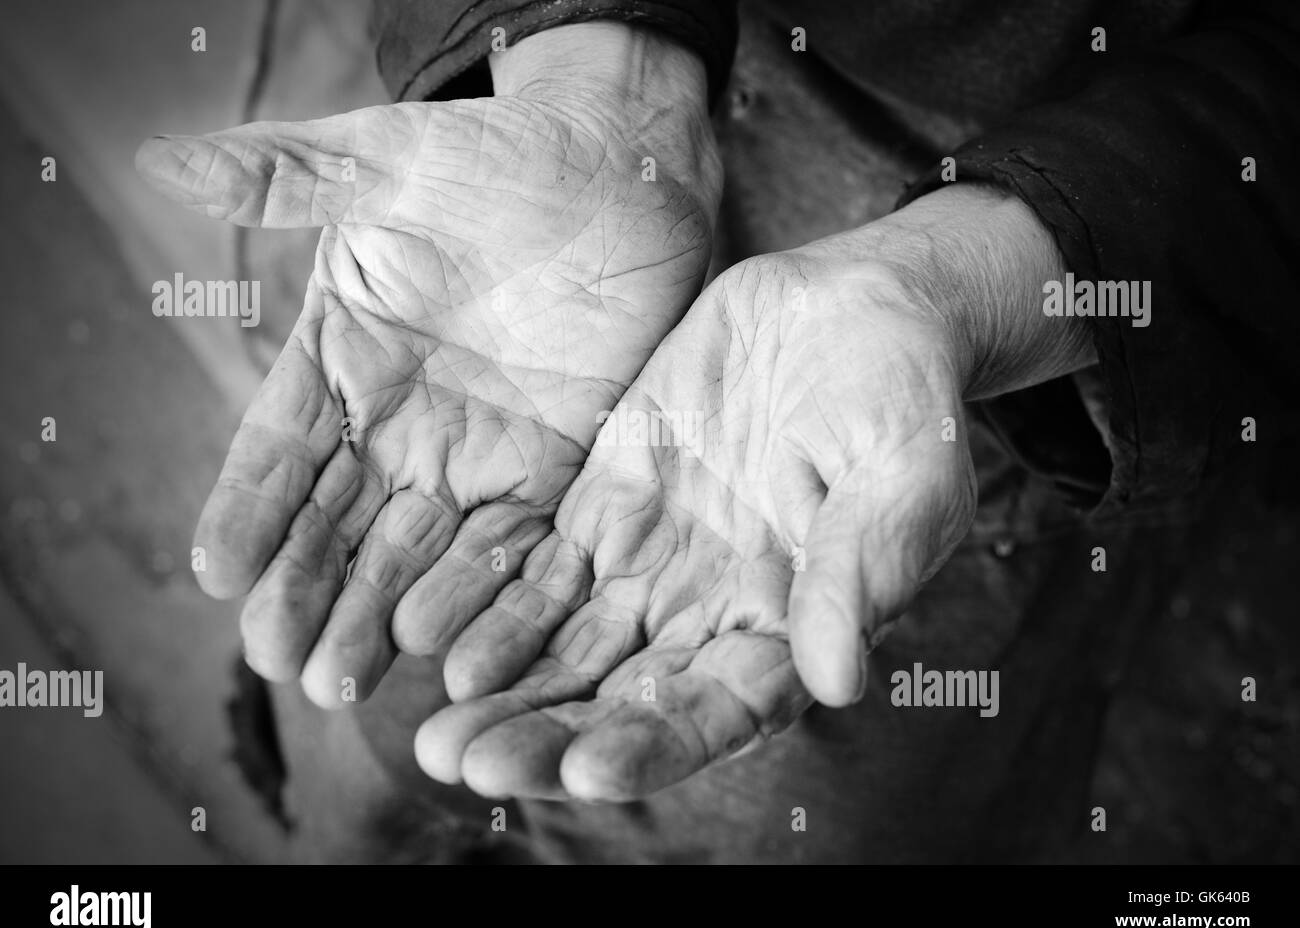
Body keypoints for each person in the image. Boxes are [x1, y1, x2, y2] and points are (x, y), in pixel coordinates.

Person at [135, 0, 1299, 862]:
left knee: (821, 817)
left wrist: (971, 283)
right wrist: (592, 65)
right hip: (633, 106)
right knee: (379, 698)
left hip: (1096, 214)